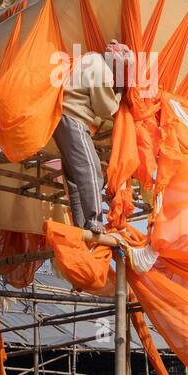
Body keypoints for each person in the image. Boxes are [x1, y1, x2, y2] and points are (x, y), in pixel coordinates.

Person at [53, 40, 132, 232]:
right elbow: (104, 108)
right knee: (92, 169)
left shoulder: (89, 58)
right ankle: (93, 219)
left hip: (60, 120)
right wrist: (119, 95)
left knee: (74, 178)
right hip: (74, 118)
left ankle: (81, 225)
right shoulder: (100, 66)